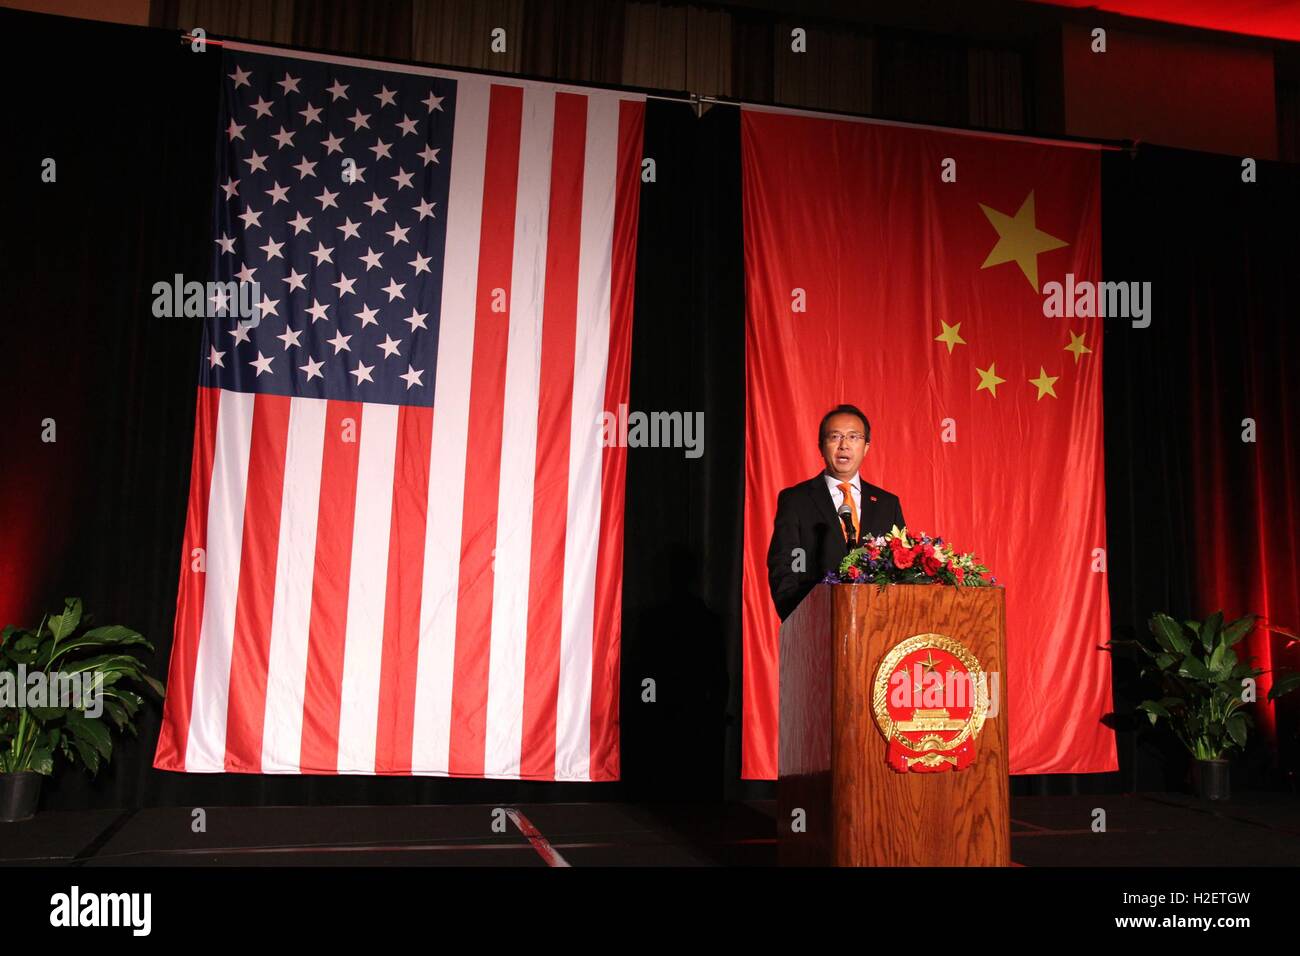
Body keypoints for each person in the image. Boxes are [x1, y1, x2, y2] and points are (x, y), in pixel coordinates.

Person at [765, 404, 906, 621]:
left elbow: (901, 566)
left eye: (853, 437)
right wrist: (797, 620)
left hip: (877, 626)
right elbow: (784, 565)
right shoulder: (796, 500)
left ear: (866, 447)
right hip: (816, 623)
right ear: (821, 446)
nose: (844, 445)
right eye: (835, 437)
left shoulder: (888, 504)